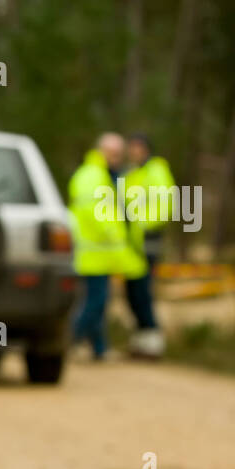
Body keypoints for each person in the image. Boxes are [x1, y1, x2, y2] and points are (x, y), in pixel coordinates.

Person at [68, 133, 145, 360]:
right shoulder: (92, 175)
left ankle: (100, 349)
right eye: (113, 153)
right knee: (96, 301)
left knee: (99, 303)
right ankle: (70, 339)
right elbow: (95, 212)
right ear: (102, 151)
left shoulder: (101, 174)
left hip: (100, 252)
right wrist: (113, 234)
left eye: (119, 154)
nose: (117, 158)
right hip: (93, 250)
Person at [122, 133, 175, 358]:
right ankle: (141, 338)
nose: (133, 151)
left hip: (147, 240)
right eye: (131, 147)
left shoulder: (156, 171)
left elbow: (165, 205)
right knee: (131, 291)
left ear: (145, 149)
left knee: (142, 290)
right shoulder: (133, 173)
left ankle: (152, 338)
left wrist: (143, 225)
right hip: (130, 243)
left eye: (136, 147)